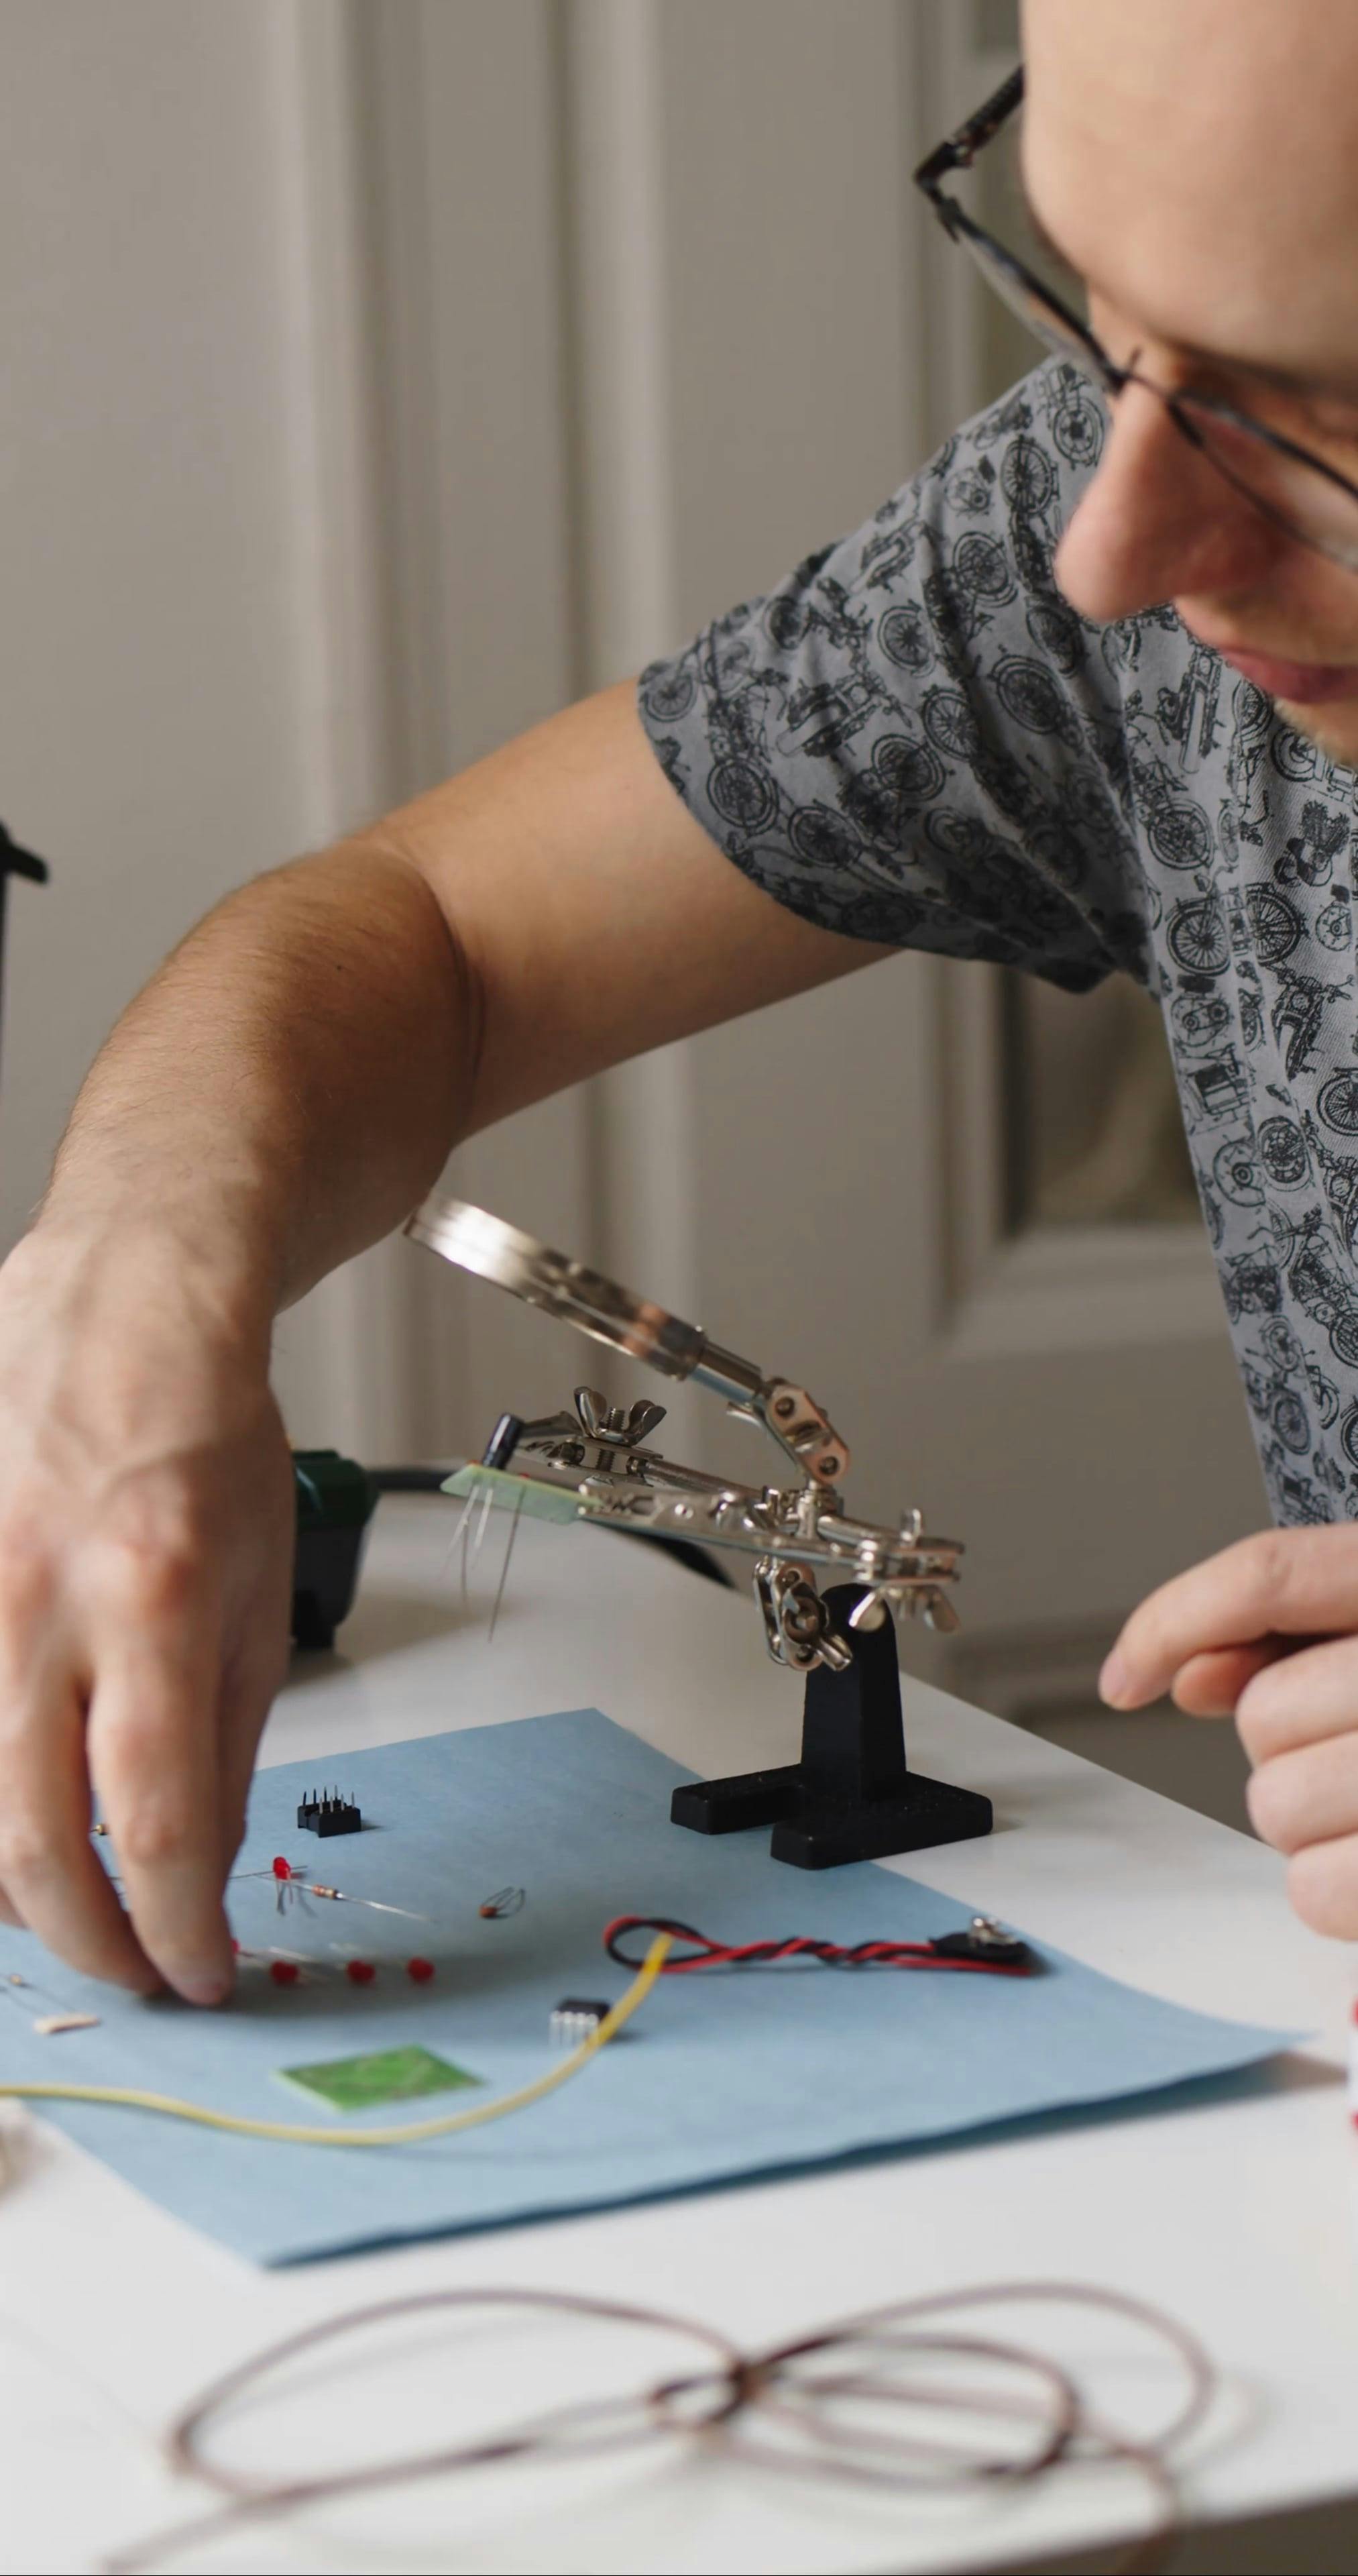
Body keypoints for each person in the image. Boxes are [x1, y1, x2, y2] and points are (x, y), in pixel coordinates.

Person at [5, 0, 1358, 2004]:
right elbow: (424, 931)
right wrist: (123, 1279)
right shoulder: (1135, 501)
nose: (1110, 554)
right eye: (1088, 310)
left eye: (1315, 413)